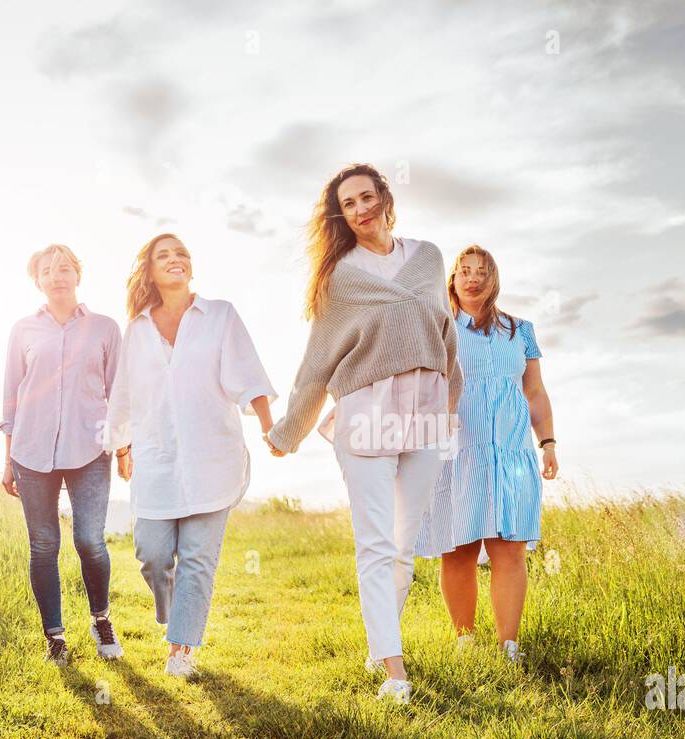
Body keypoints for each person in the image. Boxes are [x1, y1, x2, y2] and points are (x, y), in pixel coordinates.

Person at [265, 163, 462, 705]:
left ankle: (381, 643)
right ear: (341, 215)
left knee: (403, 547)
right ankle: (395, 671)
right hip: (366, 414)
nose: (361, 209)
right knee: (375, 544)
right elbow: (319, 359)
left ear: (384, 197)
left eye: (367, 197)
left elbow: (447, 339)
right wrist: (289, 429)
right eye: (349, 203)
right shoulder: (341, 278)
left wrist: (451, 408)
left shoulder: (427, 258)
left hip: (424, 415)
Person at [106, 233, 277, 678]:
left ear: (191, 266)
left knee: (198, 559)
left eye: (181, 253)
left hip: (212, 457)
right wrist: (121, 447)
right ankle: (175, 613)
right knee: (152, 554)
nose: (175, 259)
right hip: (155, 458)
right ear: (150, 270)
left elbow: (248, 372)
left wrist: (267, 425)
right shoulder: (138, 327)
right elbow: (123, 393)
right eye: (164, 255)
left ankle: (181, 649)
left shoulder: (219, 315)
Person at [416, 244, 558, 661]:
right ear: (453, 280)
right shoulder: (439, 326)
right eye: (465, 271)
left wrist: (547, 442)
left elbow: (534, 391)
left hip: (511, 451)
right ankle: (464, 640)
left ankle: (508, 645)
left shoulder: (520, 330)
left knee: (509, 547)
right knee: (457, 546)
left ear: (494, 279)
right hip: (455, 451)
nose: (473, 277)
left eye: (481, 271)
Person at [0, 243, 124, 665]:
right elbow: (12, 394)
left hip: (90, 448)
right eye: (48, 270)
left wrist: (124, 446)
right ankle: (55, 638)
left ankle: (101, 620)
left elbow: (120, 393)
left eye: (65, 267)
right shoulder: (23, 330)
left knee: (89, 540)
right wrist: (8, 456)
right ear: (38, 280)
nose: (57, 275)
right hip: (31, 452)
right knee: (43, 545)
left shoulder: (105, 328)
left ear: (77, 275)